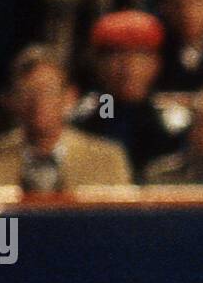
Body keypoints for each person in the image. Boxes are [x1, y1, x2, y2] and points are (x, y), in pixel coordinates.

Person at [0, 46, 132, 192]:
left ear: (70, 97)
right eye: (27, 92)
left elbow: (120, 228)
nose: (38, 102)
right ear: (11, 101)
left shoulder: (107, 160)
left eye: (48, 91)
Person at [74, 10, 184, 173]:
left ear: (155, 63)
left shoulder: (172, 124)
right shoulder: (86, 119)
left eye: (139, 55)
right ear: (98, 63)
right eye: (117, 55)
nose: (128, 67)